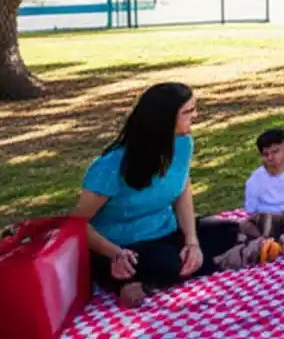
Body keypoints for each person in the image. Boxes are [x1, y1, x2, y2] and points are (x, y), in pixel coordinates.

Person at [70, 83, 243, 308]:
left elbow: (182, 190)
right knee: (167, 264)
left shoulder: (183, 144)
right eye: (188, 112)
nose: (196, 116)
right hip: (122, 246)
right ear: (165, 119)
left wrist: (192, 242)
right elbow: (76, 223)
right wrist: (114, 253)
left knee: (229, 231)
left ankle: (160, 276)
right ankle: (124, 280)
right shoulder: (111, 167)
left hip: (165, 231)